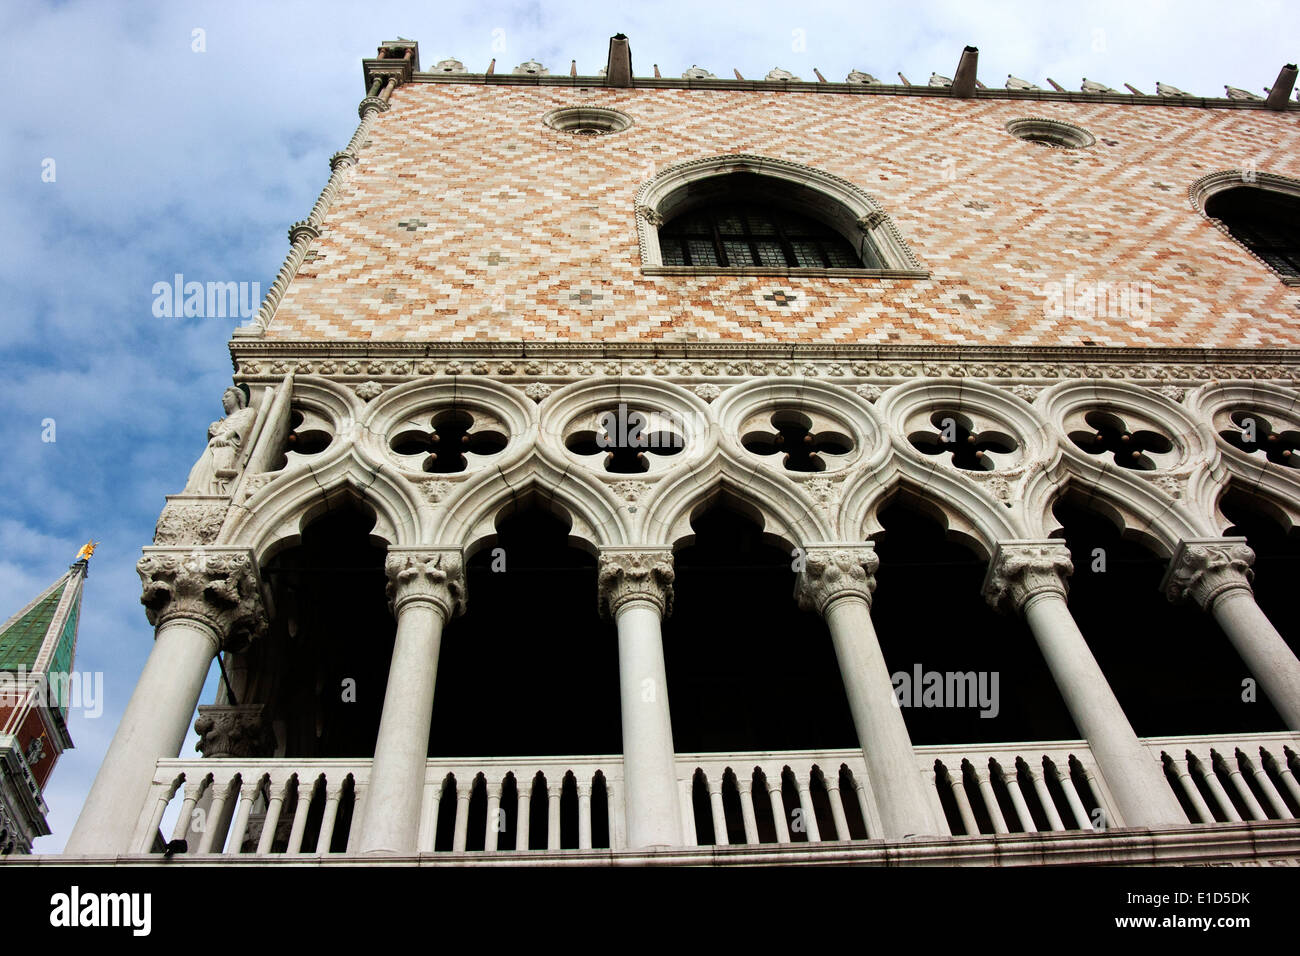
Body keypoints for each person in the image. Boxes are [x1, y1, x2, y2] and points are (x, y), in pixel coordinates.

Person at [184, 386, 257, 493]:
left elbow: (242, 426)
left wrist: (225, 436)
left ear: (238, 398)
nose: (223, 399)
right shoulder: (223, 421)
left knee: (217, 473)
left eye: (227, 396)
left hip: (225, 447)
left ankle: (216, 493)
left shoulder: (247, 412)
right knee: (198, 472)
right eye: (223, 397)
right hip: (213, 447)